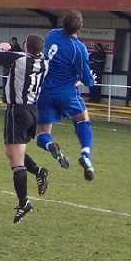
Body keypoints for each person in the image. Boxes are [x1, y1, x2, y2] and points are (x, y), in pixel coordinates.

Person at [0, 35, 50, 223]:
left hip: (17, 111)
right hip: (33, 112)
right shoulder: (44, 63)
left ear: (26, 46)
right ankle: (38, 170)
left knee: (16, 160)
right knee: (11, 152)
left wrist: (0, 46)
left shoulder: (19, 59)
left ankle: (24, 202)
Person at [36, 9, 96, 181]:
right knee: (82, 119)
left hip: (45, 91)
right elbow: (88, 79)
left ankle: (50, 146)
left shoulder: (52, 34)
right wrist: (88, 79)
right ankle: (85, 153)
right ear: (80, 27)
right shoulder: (79, 49)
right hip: (66, 92)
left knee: (42, 132)